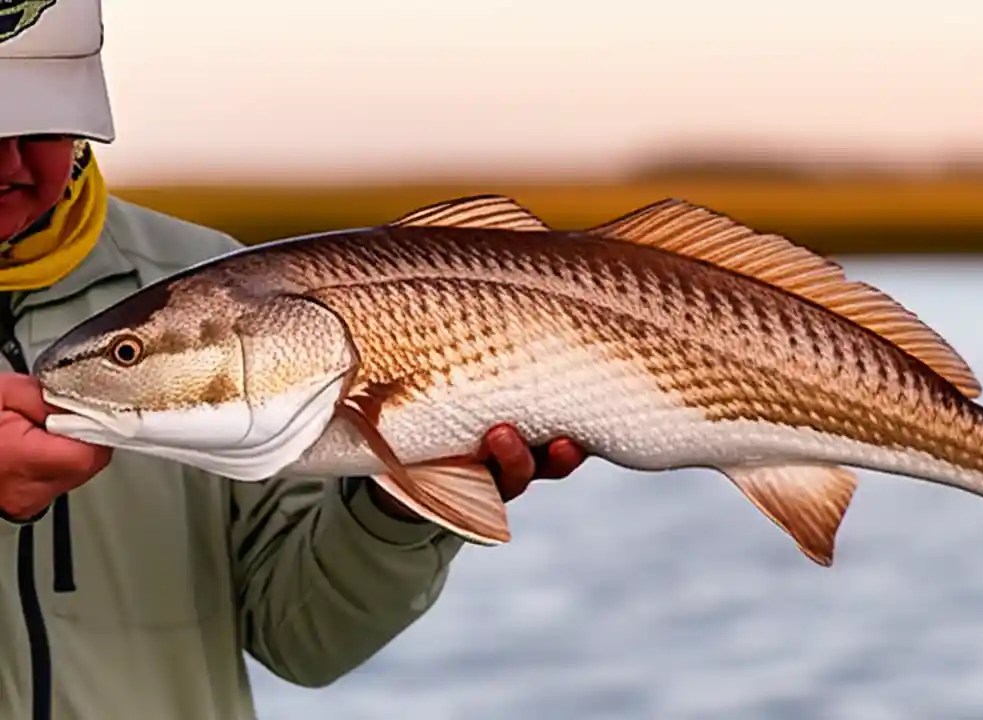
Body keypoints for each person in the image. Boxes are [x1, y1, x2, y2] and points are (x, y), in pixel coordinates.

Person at [0, 1, 587, 718]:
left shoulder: (217, 285)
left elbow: (306, 640)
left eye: (41, 122)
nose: (10, 160)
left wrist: (402, 492)